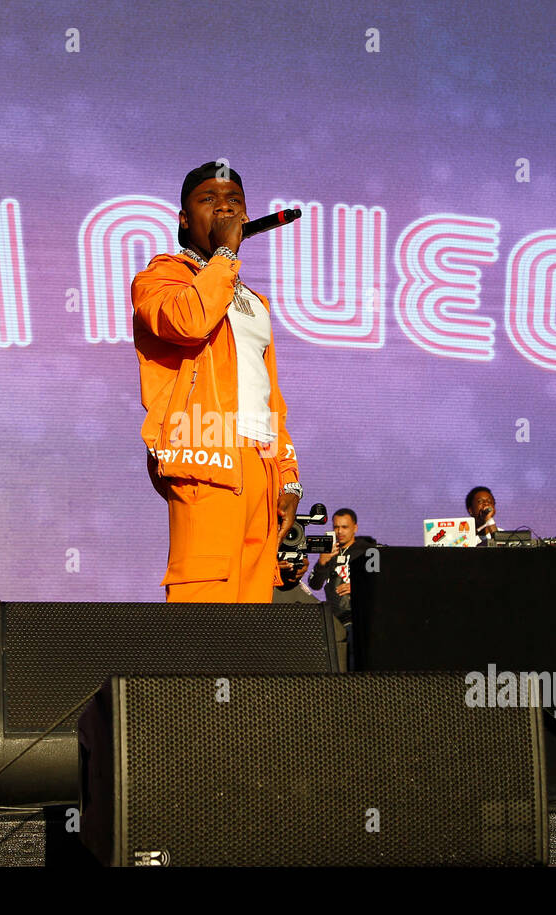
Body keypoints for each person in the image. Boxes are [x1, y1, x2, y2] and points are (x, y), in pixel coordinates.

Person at [133, 162, 302, 602]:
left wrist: (288, 477)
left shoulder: (252, 299)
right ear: (184, 219)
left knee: (251, 620)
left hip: (259, 463)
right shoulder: (162, 276)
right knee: (205, 616)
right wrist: (225, 256)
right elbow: (187, 322)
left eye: (235, 203)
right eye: (209, 200)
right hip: (204, 452)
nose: (224, 209)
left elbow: (270, 396)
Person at [308, 509, 378, 662]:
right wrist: (322, 562)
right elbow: (314, 584)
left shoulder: (369, 550)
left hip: (358, 618)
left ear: (355, 528)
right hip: (334, 620)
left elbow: (378, 583)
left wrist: (357, 587)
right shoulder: (330, 553)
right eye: (336, 527)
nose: (339, 531)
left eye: (344, 527)